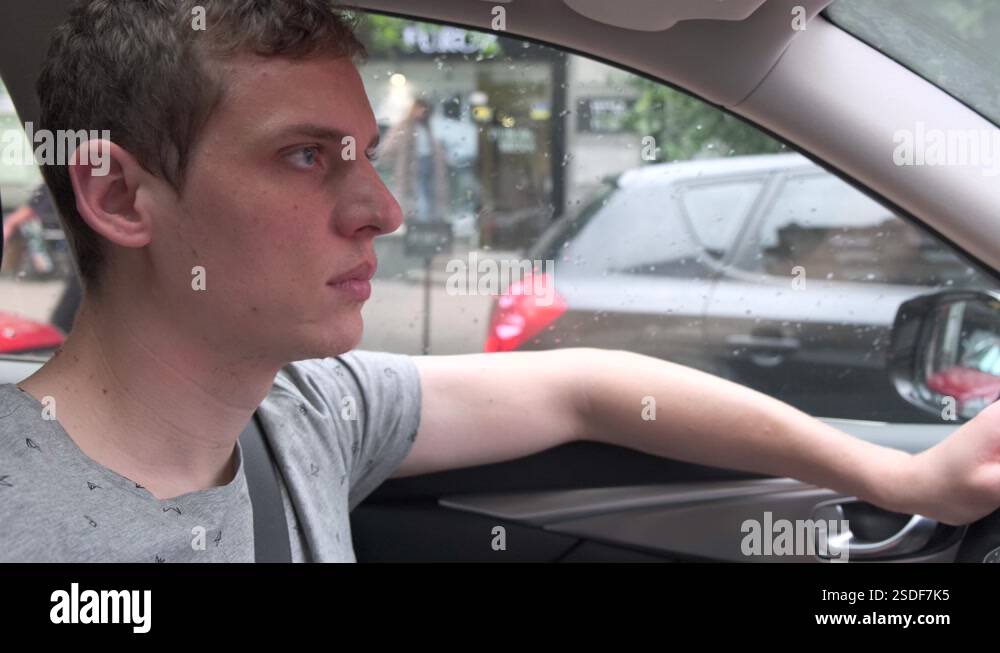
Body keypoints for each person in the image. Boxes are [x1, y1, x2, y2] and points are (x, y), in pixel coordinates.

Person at [1, 0, 999, 563]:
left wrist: (899, 478)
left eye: (365, 153)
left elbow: (579, 385)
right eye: (307, 157)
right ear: (123, 197)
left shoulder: (300, 410)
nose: (384, 211)